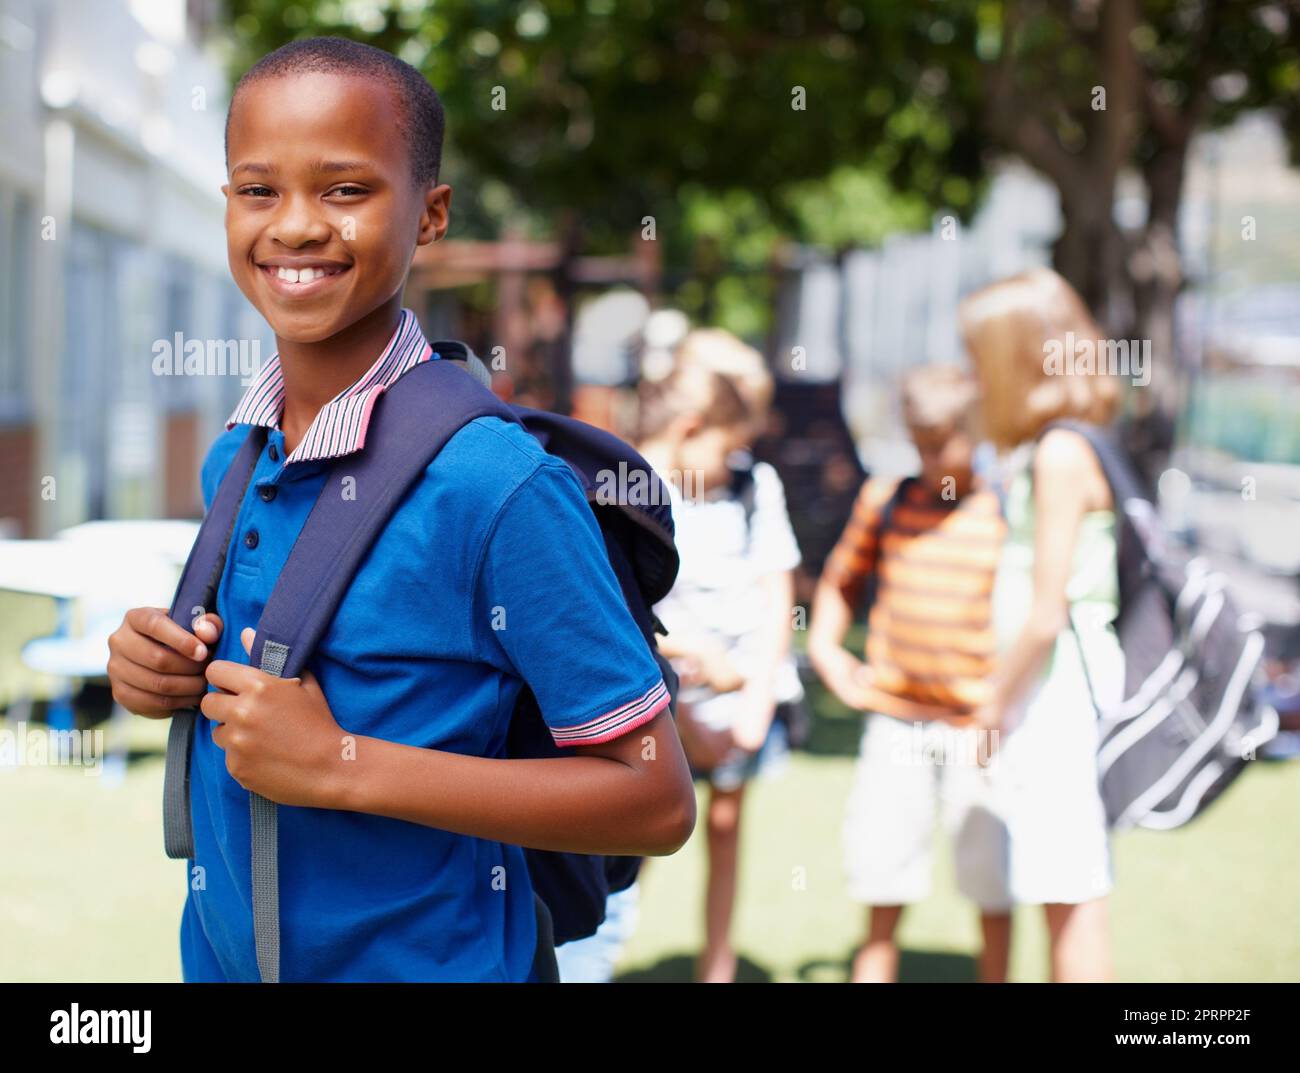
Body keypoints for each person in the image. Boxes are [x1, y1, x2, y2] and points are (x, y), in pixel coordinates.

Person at [105, 37, 695, 983]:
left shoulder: (494, 485)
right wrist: (161, 673)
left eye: (346, 190)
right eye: (259, 190)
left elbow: (656, 800)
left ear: (430, 217)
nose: (295, 226)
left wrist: (339, 761)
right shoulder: (237, 454)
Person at [809, 365, 1012, 983]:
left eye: (943, 444)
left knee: (991, 875)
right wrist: (826, 651)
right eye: (921, 445)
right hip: (895, 720)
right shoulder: (887, 498)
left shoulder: (1001, 511)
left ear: (975, 433)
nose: (932, 460)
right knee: (881, 864)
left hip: (974, 724)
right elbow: (840, 583)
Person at [959, 266, 1123, 983]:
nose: (973, 379)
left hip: (1056, 702)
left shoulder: (1061, 453)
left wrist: (990, 708)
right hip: (1045, 696)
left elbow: (1047, 609)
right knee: (1057, 886)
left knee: (1070, 899)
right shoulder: (1053, 446)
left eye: (979, 360)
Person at [636, 346, 803, 984]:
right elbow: (623, 620)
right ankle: (600, 952)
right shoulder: (635, 489)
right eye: (723, 447)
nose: (731, 463)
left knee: (727, 827)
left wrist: (757, 705)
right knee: (641, 832)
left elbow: (777, 598)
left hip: (736, 707)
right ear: (688, 431)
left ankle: (717, 967)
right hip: (658, 703)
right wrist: (680, 708)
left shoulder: (754, 484)